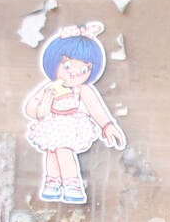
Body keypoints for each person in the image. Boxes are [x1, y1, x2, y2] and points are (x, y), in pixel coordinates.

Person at [23, 23, 127, 205]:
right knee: (51, 153)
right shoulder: (50, 88)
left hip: (71, 125)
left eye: (84, 70)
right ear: (55, 62)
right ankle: (53, 181)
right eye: (67, 65)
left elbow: (96, 108)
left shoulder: (82, 90)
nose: (74, 74)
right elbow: (30, 106)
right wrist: (40, 109)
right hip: (52, 123)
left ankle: (72, 183)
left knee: (64, 151)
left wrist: (107, 125)